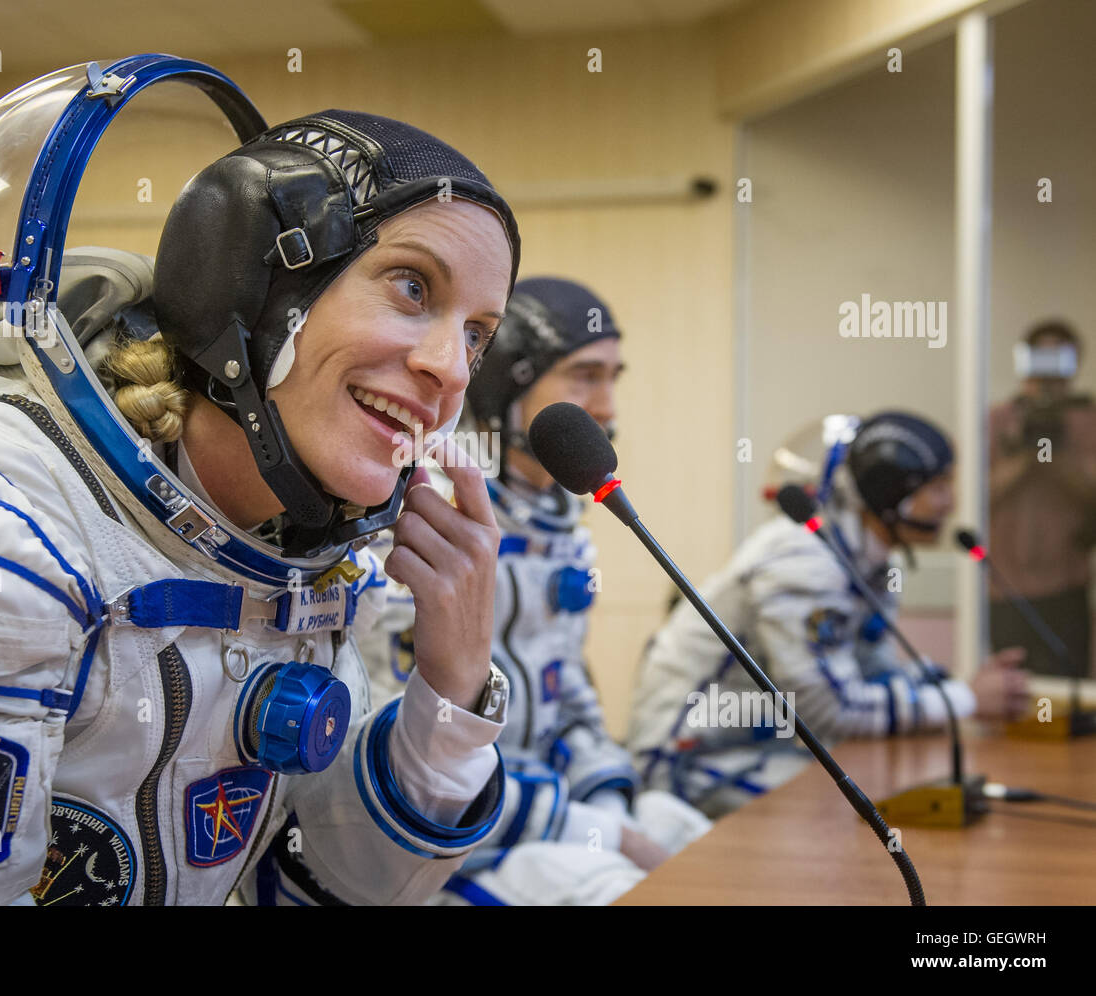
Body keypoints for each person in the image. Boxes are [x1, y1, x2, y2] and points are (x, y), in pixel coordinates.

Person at [0, 58, 519, 906]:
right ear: (248, 283)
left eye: (477, 333)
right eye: (411, 286)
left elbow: (305, 882)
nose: (448, 369)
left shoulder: (303, 558)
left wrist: (453, 693)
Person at [357, 278, 710, 905]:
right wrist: (596, 832)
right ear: (507, 385)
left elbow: (564, 686)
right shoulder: (424, 514)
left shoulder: (559, 523)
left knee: (692, 841)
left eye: (613, 378)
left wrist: (606, 803)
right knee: (623, 885)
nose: (605, 406)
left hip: (539, 809)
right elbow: (404, 738)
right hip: (449, 837)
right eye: (584, 376)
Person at [629, 411, 1030, 818]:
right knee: (849, 812)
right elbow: (829, 710)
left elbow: (869, 672)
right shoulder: (805, 561)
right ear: (890, 492)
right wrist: (964, 699)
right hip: (687, 759)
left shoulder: (866, 559)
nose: (951, 502)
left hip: (763, 743)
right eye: (939, 486)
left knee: (887, 792)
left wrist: (954, 687)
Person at [989, 320, 1096, 677]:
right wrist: (1025, 455)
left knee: (1067, 706)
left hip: (1067, 588)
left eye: (1059, 360)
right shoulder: (998, 420)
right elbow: (971, 500)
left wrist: (1058, 455)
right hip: (1004, 588)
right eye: (1041, 360)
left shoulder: (1088, 421)